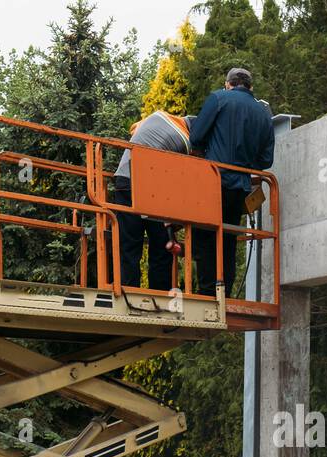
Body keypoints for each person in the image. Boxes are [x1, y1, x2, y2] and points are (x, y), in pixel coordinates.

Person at [188, 67, 275, 297]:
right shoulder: (263, 113)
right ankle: (223, 292)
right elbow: (266, 160)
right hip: (240, 188)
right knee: (227, 238)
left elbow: (195, 138)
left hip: (213, 181)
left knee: (204, 234)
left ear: (228, 84)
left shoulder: (219, 98)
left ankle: (206, 291)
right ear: (250, 87)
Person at [113, 111, 191, 291]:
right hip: (148, 187)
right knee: (161, 246)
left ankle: (128, 292)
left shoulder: (155, 119)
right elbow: (182, 177)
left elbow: (134, 131)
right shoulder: (184, 138)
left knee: (129, 246)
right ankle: (160, 295)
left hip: (125, 180)